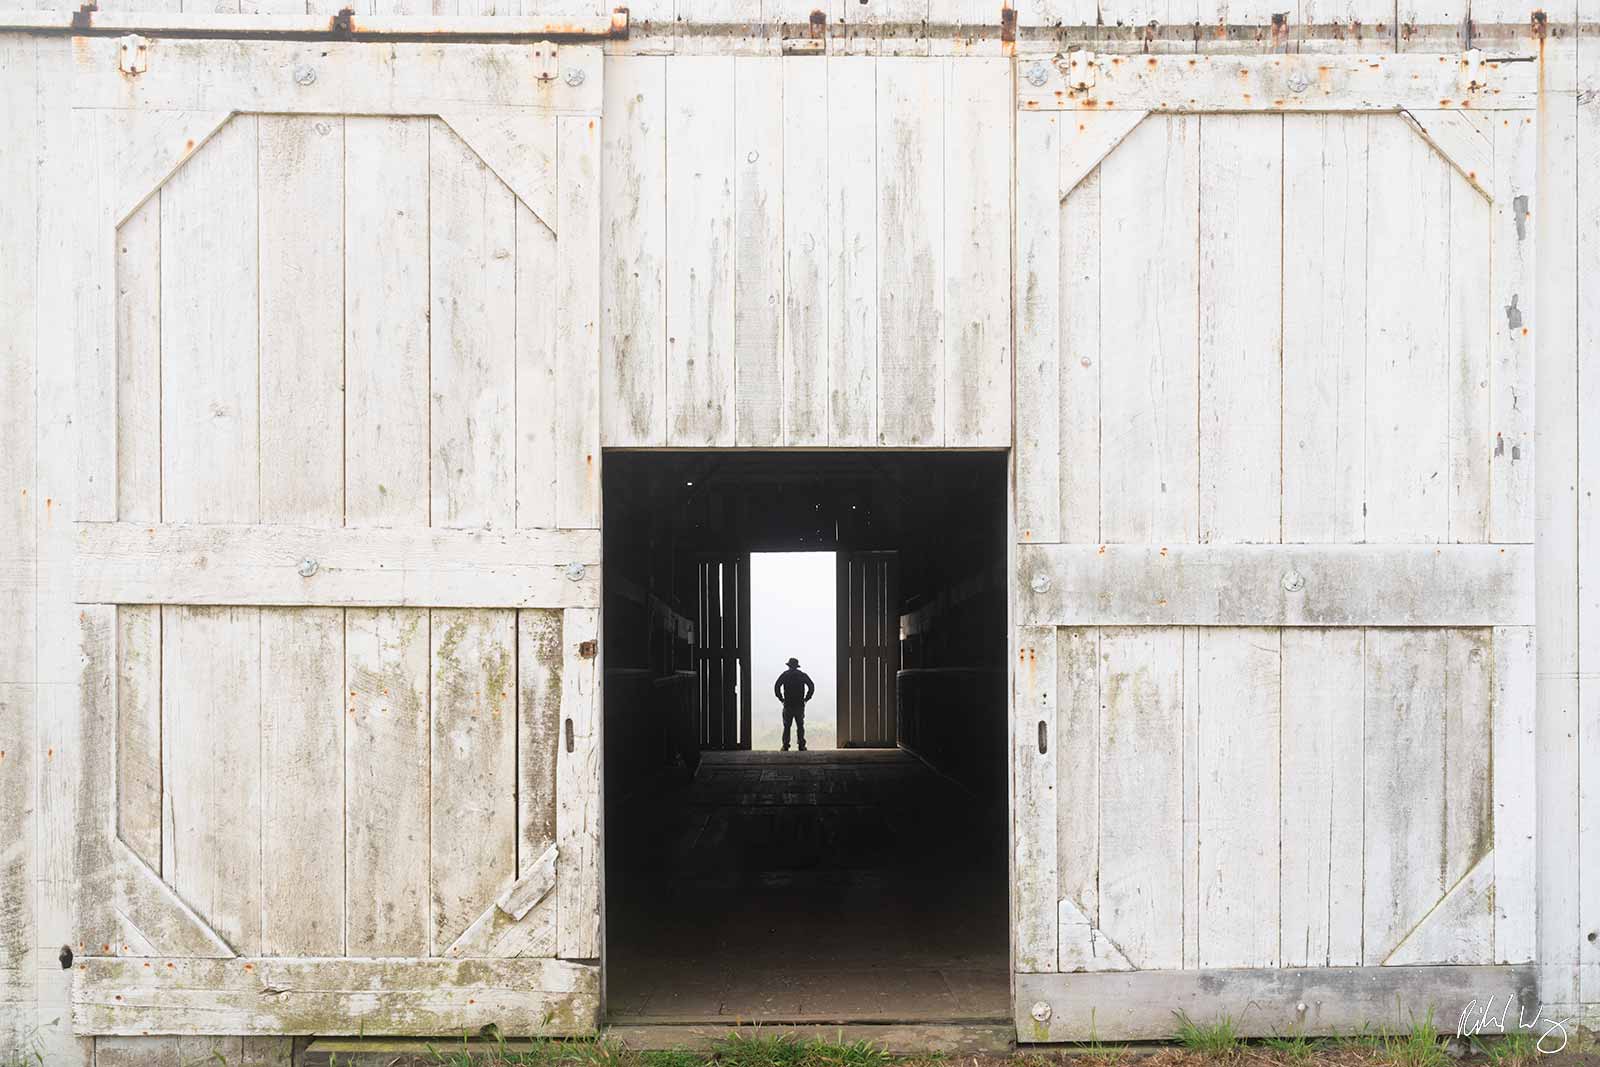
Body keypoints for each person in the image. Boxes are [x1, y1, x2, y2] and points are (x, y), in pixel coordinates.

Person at [773, 657, 815, 752]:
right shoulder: (802, 675)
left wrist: (781, 699)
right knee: (800, 725)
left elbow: (777, 687)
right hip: (799, 704)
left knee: (787, 726)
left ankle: (785, 745)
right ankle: (801, 745)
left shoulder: (785, 675)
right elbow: (811, 686)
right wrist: (807, 698)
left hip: (788, 704)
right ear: (797, 666)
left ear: (789, 666)